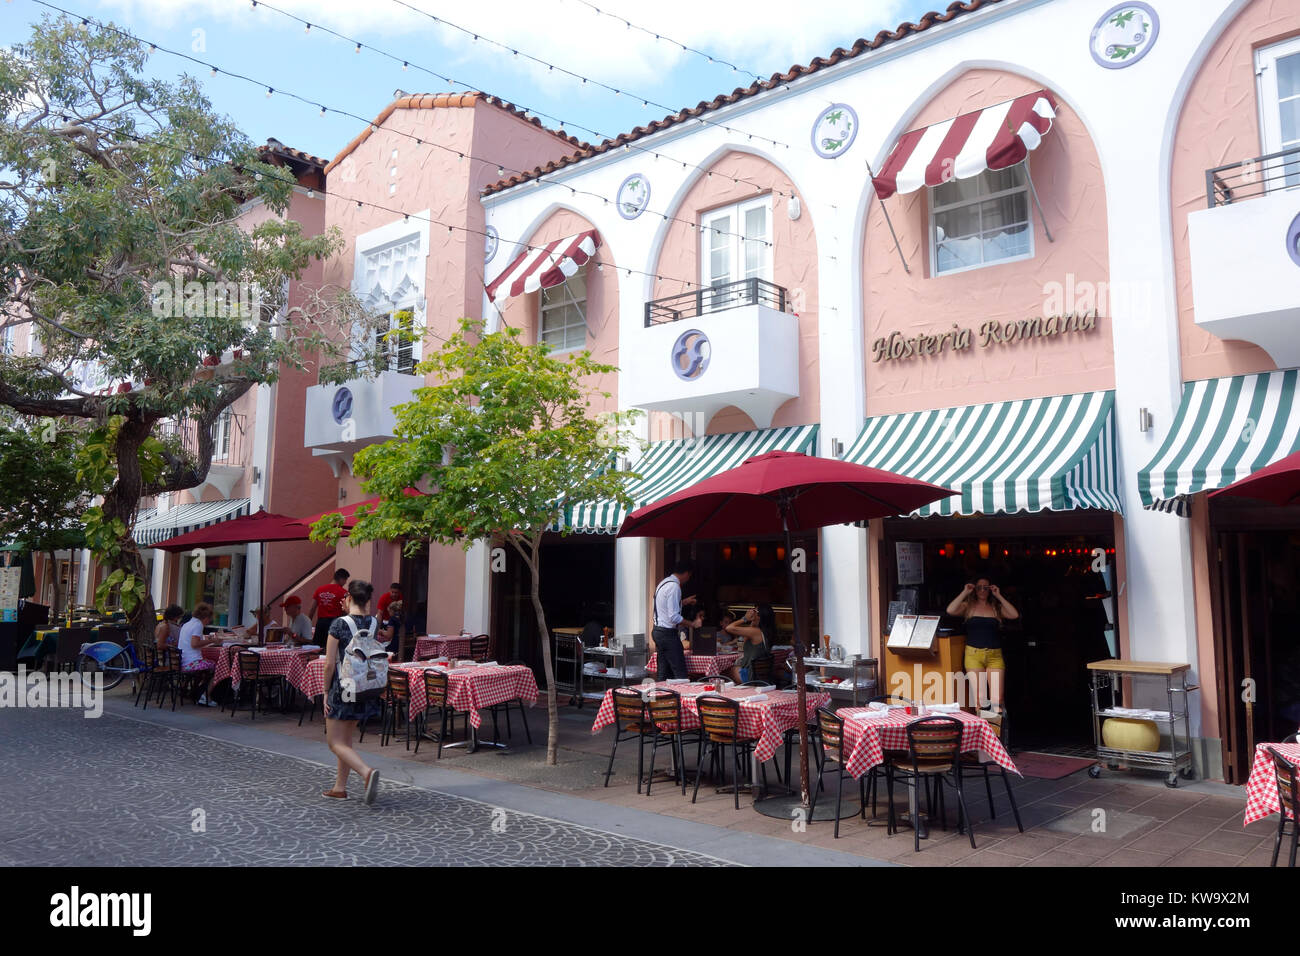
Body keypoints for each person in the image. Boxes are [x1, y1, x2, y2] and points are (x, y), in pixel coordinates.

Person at [321, 579, 382, 805]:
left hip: (344, 686)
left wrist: (325, 692)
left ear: (348, 598)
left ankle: (367, 772)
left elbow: (329, 664)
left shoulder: (339, 624)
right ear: (368, 600)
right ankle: (340, 787)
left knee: (334, 742)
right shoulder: (374, 622)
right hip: (365, 686)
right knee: (345, 740)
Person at [946, 576, 1019, 715]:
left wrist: (999, 595)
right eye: (979, 587)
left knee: (998, 699)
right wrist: (965, 592)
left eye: (986, 587)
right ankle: (984, 733)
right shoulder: (968, 607)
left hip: (994, 656)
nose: (982, 590)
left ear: (991, 589)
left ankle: (996, 734)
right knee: (981, 700)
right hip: (974, 655)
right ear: (974, 589)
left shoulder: (996, 608)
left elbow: (1014, 614)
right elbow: (950, 610)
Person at [651, 560, 703, 680]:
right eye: (689, 576)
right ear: (686, 573)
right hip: (668, 634)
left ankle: (661, 695)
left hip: (658, 631)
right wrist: (693, 624)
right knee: (680, 673)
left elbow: (664, 606)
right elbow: (673, 617)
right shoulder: (674, 587)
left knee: (663, 672)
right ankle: (680, 696)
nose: (688, 579)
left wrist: (684, 602)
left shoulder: (663, 583)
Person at [178, 602, 224, 707]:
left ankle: (196, 691)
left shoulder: (187, 623)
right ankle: (205, 695)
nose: (208, 622)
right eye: (209, 619)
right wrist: (212, 642)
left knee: (209, 666)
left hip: (184, 660)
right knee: (219, 667)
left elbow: (193, 642)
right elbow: (195, 644)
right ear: (206, 617)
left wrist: (208, 640)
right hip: (191, 662)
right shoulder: (198, 625)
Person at [723, 604, 774, 683]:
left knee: (726, 671)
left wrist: (745, 618)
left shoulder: (755, 632)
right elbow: (744, 644)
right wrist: (753, 623)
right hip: (760, 676)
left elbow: (729, 628)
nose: (752, 613)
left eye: (755, 611)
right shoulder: (765, 631)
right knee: (735, 668)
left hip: (750, 676)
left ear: (760, 616)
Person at [308, 568, 349, 648]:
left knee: (317, 648)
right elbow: (345, 611)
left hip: (320, 623)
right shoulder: (344, 592)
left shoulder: (319, 590)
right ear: (341, 579)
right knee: (331, 649)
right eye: (345, 580)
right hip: (334, 623)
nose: (345, 583)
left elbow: (312, 609)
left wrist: (309, 623)